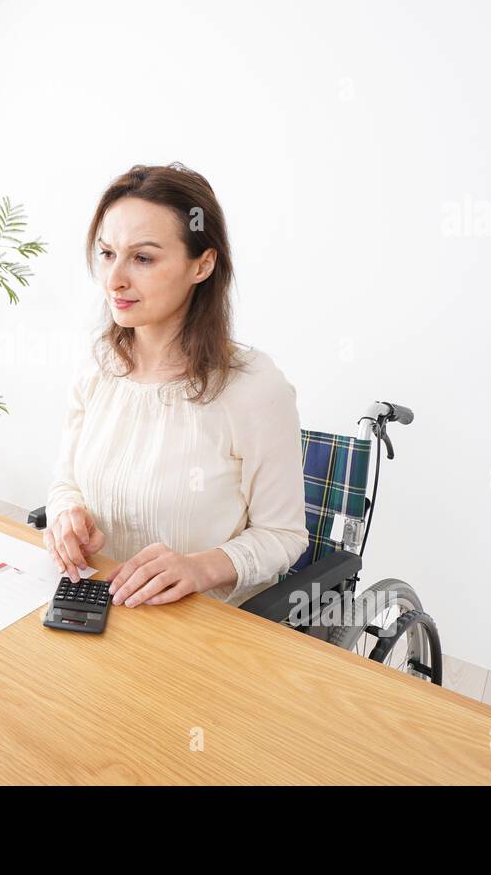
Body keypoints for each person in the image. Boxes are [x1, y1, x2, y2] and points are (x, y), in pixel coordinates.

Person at [43, 162, 309, 609]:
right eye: (107, 253)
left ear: (202, 265)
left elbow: (283, 536)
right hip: (97, 606)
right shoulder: (97, 365)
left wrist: (199, 567)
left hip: (203, 629)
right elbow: (64, 482)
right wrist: (67, 515)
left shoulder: (255, 389)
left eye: (143, 258)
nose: (114, 280)